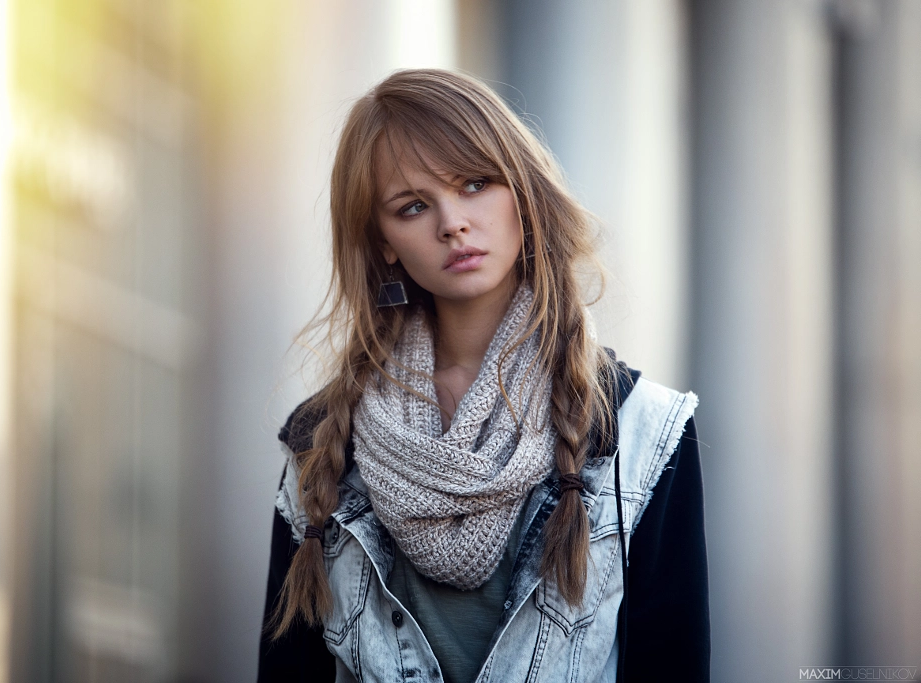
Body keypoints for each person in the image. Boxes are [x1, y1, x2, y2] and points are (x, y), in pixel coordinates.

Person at [257, 69, 709, 683]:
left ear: (522, 192)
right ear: (384, 242)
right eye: (413, 206)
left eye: (475, 184)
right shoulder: (321, 442)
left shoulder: (643, 430)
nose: (452, 223)